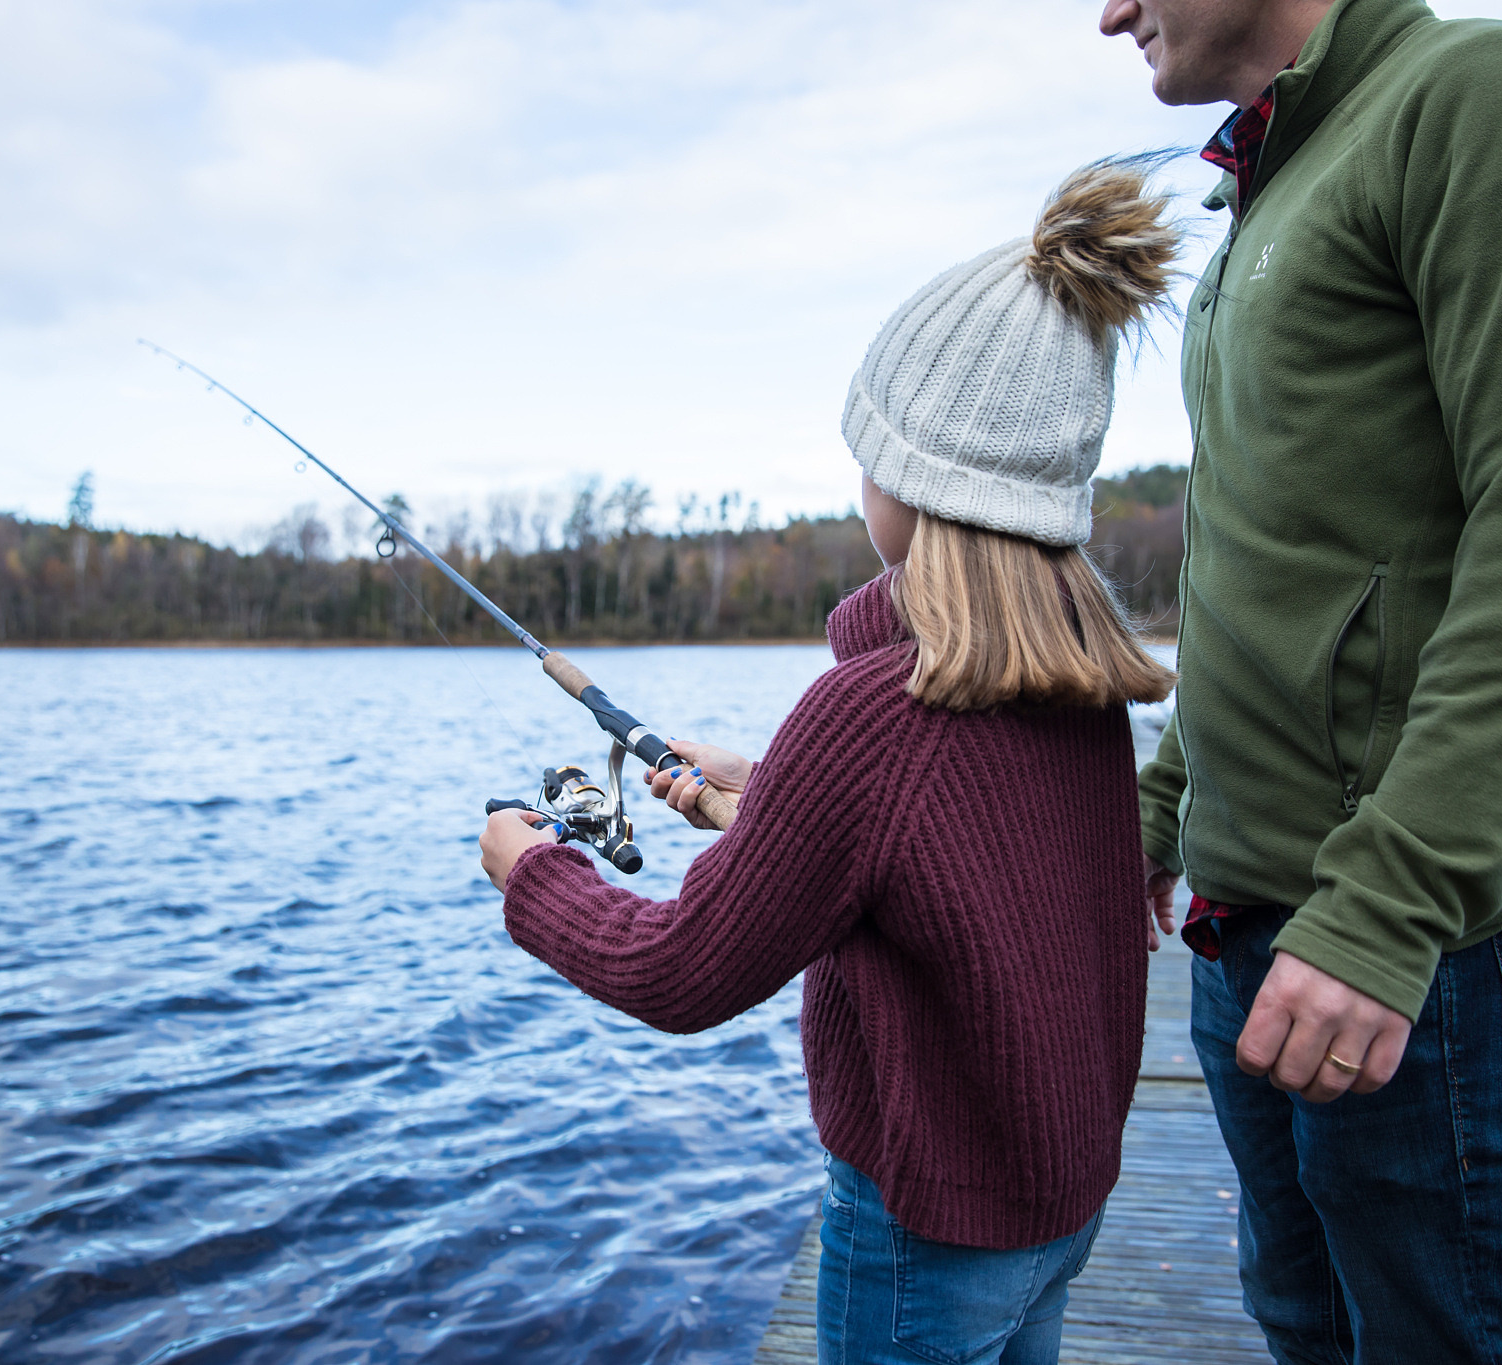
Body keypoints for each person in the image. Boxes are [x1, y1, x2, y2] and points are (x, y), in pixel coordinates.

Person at [478, 161, 1182, 1364]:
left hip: (924, 1238)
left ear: (912, 478)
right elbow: (956, 855)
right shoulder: (1077, 688)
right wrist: (767, 794)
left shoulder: (869, 719)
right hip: (1059, 1209)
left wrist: (528, 877)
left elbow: (680, 972)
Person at [1098, 1, 1502, 1361]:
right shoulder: (1268, 191)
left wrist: (1388, 905)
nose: (1110, 11)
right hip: (1248, 932)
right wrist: (1158, 814)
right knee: (1306, 1330)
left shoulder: (1493, 100)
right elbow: (1262, 579)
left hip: (1413, 953)